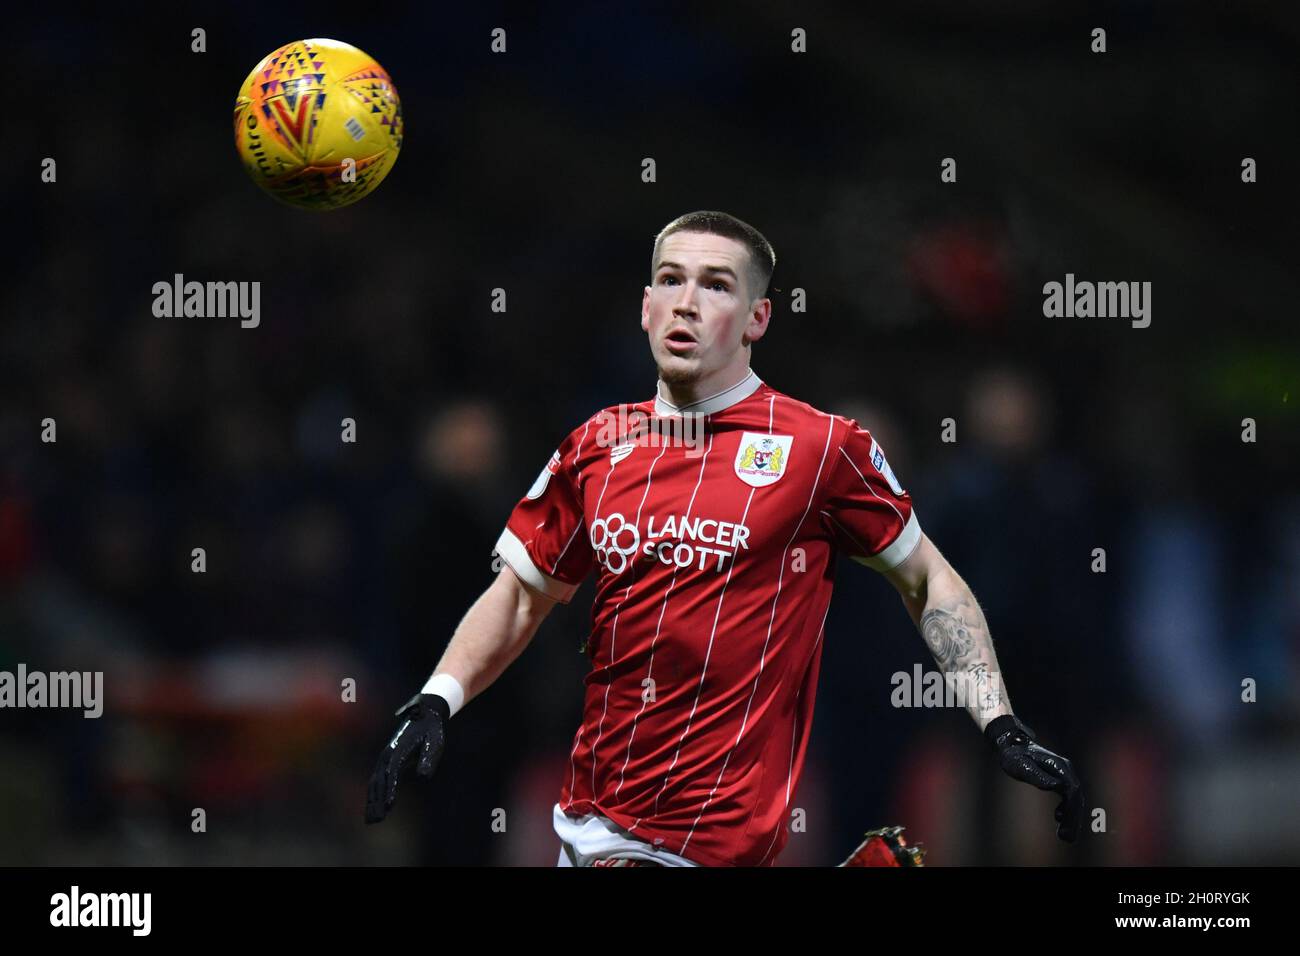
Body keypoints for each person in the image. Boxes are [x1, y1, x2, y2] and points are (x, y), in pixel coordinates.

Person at [364, 210, 1084, 866]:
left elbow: (928, 579)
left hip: (708, 841)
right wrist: (435, 700)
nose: (686, 300)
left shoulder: (820, 449)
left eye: (716, 285)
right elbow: (522, 595)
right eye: (670, 280)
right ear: (645, 308)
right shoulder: (596, 444)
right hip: (589, 830)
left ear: (756, 319)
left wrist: (999, 720)